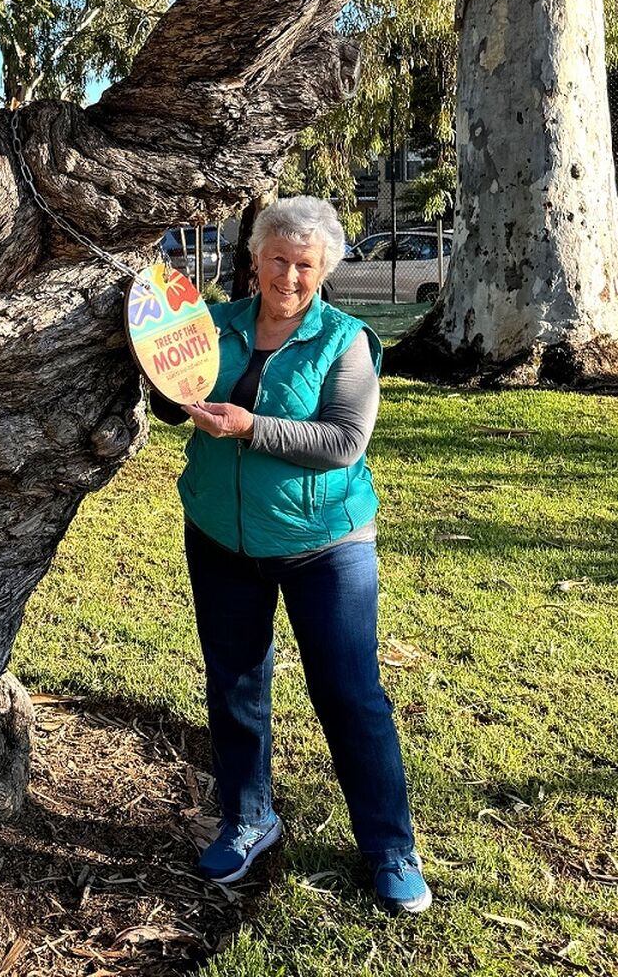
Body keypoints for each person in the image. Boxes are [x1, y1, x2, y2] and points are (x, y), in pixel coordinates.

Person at [151, 196, 430, 915]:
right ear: (254, 258)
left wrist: (249, 428)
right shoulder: (212, 326)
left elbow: (342, 442)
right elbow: (168, 398)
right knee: (235, 684)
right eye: (276, 258)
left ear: (325, 268)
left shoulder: (346, 341)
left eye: (304, 265)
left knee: (349, 695)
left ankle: (390, 849)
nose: (288, 276)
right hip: (219, 535)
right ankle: (248, 817)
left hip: (323, 547)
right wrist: (159, 380)